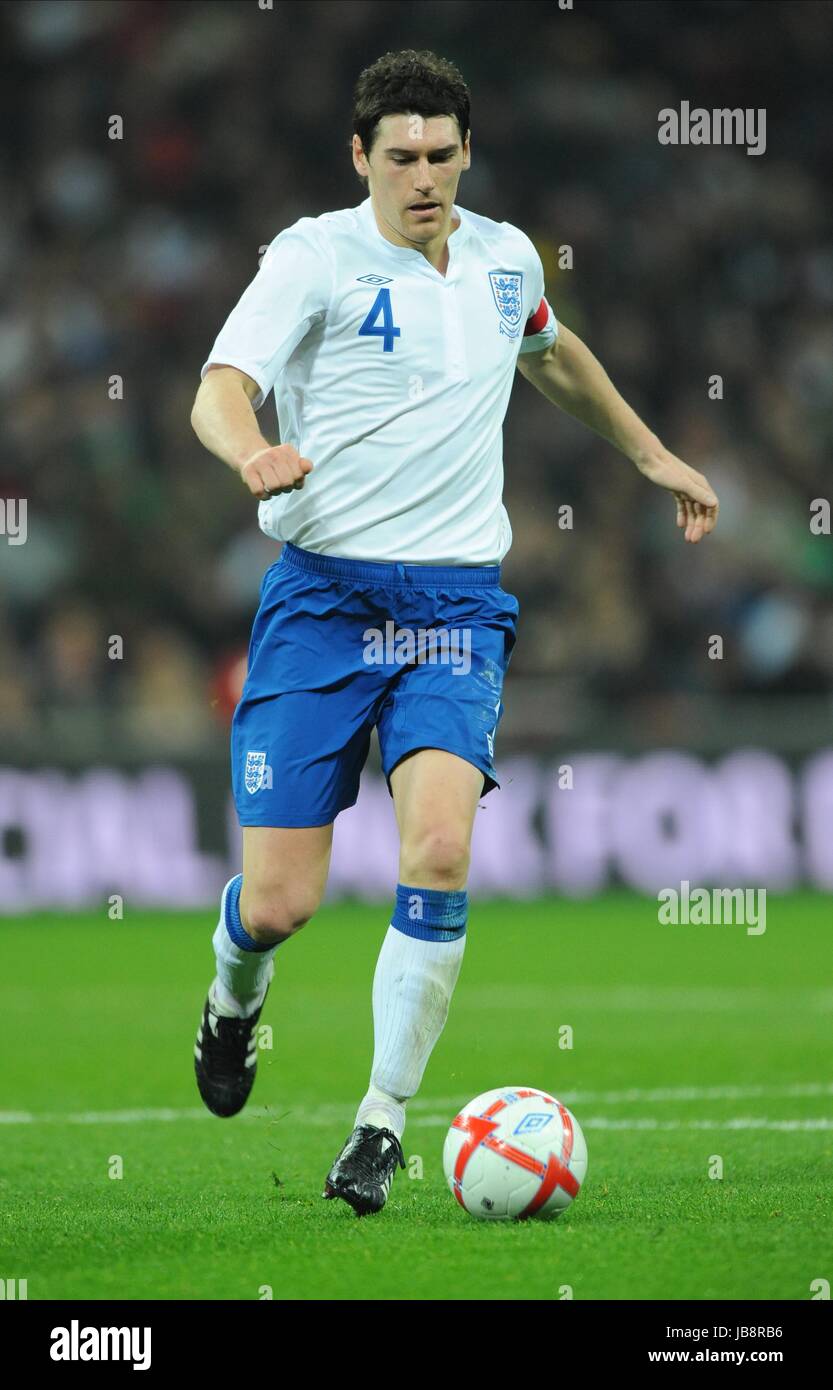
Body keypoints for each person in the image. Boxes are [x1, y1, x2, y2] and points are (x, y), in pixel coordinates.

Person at [189, 48, 719, 1217]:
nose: (421, 177)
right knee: (276, 904)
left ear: (465, 151)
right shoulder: (312, 256)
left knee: (436, 850)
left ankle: (380, 1124)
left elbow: (548, 350)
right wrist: (252, 451)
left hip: (455, 608)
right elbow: (217, 386)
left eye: (439, 155)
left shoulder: (502, 257)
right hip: (322, 602)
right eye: (399, 159)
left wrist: (649, 454)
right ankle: (232, 1002)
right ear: (359, 158)